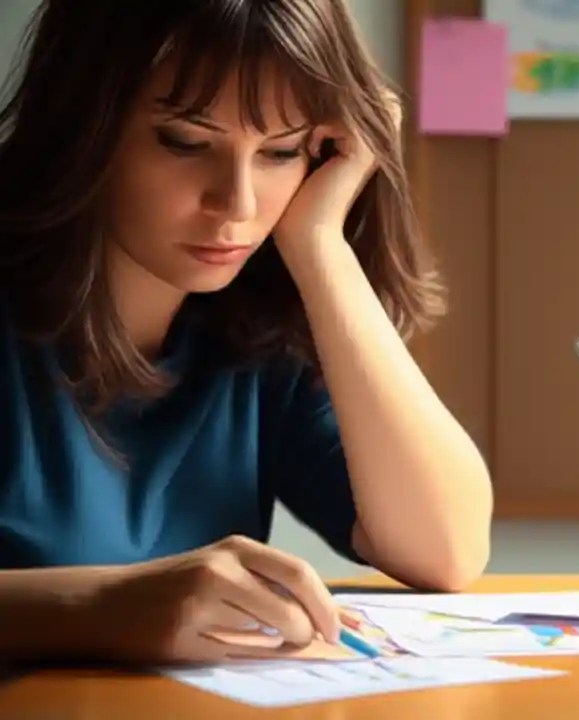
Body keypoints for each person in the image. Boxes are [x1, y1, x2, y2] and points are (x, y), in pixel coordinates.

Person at [0, 0, 493, 665]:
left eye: (281, 151)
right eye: (185, 140)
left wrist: (319, 244)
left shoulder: (258, 331)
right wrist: (98, 606)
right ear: (83, 122)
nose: (237, 202)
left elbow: (447, 551)